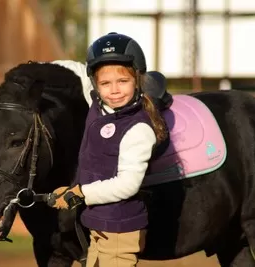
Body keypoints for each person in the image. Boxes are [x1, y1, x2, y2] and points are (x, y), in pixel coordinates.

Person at [51, 32, 169, 267]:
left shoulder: (138, 129)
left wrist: (81, 193)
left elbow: (128, 184)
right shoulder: (98, 105)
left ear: (137, 79)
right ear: (96, 84)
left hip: (118, 234)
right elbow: (74, 70)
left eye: (122, 81)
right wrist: (36, 69)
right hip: (99, 229)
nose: (114, 90)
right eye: (105, 83)